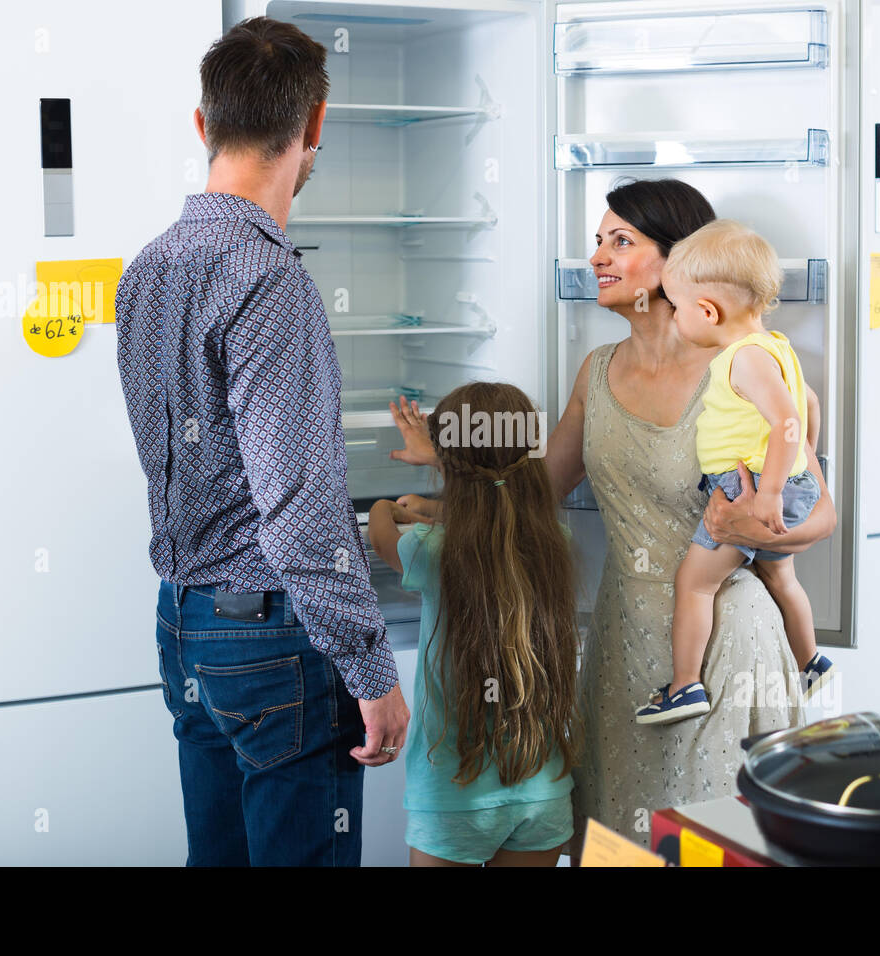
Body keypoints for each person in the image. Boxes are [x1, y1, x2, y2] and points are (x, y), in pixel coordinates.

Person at [388, 179, 836, 857]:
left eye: (620, 241)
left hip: (727, 643)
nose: (597, 256)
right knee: (617, 847)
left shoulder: (746, 369)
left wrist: (753, 529)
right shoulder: (597, 371)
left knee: (712, 845)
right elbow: (533, 488)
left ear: (678, 260)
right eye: (598, 242)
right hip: (623, 644)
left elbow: (821, 513)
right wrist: (448, 474)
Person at [115, 17, 408, 867]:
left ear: (203, 126)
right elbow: (297, 512)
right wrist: (372, 673)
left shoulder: (149, 266)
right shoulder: (270, 279)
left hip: (184, 623)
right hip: (274, 639)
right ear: (314, 127)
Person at [369, 383, 579, 867]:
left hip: (453, 795)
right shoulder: (555, 542)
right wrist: (443, 478)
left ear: (448, 463)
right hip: (542, 793)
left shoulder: (431, 549)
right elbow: (498, 512)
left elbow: (382, 535)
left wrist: (389, 506)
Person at [636, 220, 833, 727]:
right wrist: (799, 467)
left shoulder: (741, 358)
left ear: (707, 311)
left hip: (745, 491)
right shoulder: (775, 347)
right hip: (786, 485)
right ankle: (811, 661)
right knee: (780, 574)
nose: (674, 316)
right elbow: (807, 404)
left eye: (676, 307)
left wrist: (769, 494)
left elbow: (787, 418)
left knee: (695, 585)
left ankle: (684, 686)